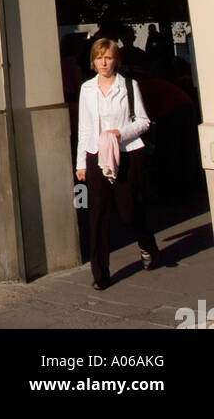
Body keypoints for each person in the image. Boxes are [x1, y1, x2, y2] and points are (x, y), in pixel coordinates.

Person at [76, 38, 159, 289]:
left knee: (128, 210)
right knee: (98, 215)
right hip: (96, 155)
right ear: (93, 61)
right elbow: (85, 128)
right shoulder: (87, 89)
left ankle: (147, 244)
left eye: (108, 57)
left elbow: (144, 121)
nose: (103, 62)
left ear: (116, 60)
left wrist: (119, 134)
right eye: (99, 57)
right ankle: (100, 274)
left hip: (127, 153)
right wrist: (80, 162)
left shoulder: (129, 87)